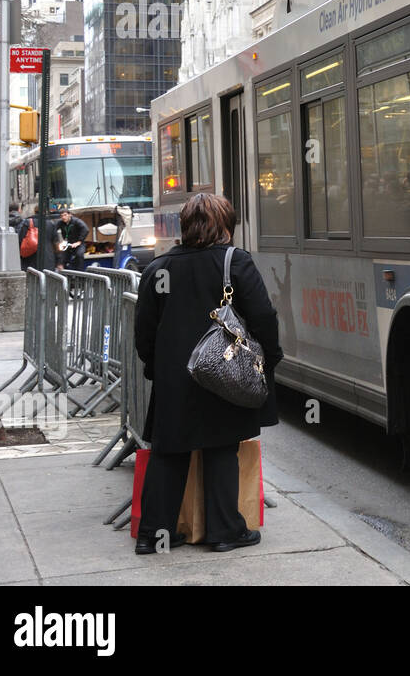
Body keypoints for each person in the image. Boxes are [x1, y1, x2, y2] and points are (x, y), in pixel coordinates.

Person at [133, 193, 283, 555]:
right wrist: (270, 358)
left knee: (168, 452)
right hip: (224, 373)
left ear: (184, 226)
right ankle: (224, 531)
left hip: (174, 376)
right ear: (226, 225)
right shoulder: (236, 262)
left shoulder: (159, 268)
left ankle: (154, 534)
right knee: (221, 446)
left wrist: (159, 369)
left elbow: (144, 333)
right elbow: (263, 316)